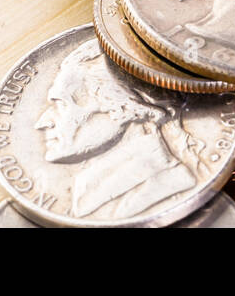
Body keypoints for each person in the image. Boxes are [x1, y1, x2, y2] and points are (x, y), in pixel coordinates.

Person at [36, 39, 211, 220]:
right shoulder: (90, 192)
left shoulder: (161, 191)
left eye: (61, 105)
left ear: (126, 109)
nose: (42, 123)